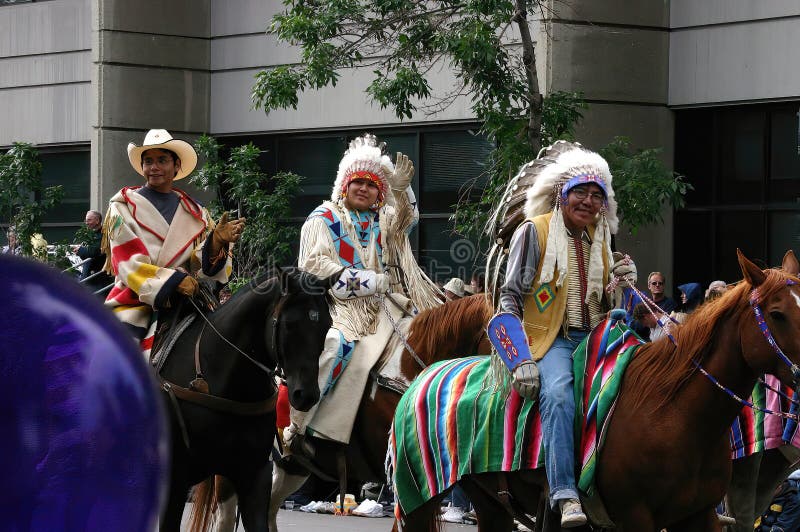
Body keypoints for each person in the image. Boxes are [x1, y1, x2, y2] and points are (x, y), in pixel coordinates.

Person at [498, 141, 634, 528]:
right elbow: (509, 296)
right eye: (580, 192)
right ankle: (564, 493)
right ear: (562, 193)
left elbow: (607, 298)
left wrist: (622, 286)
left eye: (597, 195)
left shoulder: (603, 240)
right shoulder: (534, 231)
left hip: (597, 337)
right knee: (557, 396)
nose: (589, 202)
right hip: (550, 340)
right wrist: (519, 357)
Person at [285, 133, 441, 454]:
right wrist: (369, 281)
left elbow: (408, 220)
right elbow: (315, 267)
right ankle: (296, 427)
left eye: (372, 185)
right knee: (335, 346)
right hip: (336, 309)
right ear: (345, 184)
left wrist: (400, 189)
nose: (364, 188)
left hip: (387, 308)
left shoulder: (384, 220)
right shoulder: (324, 218)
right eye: (358, 181)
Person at [101, 129, 245, 358]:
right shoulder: (122, 207)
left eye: (162, 160)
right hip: (136, 301)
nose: (154, 167)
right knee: (113, 358)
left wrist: (216, 243)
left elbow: (201, 266)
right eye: (148, 161)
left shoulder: (197, 213)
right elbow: (128, 264)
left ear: (176, 166)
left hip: (189, 301)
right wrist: (174, 280)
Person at [72, 210, 113, 292]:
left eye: (89, 220)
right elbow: (88, 254)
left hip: (98, 278)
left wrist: (80, 250)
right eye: (86, 220)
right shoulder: (91, 234)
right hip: (89, 277)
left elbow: (94, 251)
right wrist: (80, 251)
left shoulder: (103, 234)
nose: (86, 222)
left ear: (97, 221)